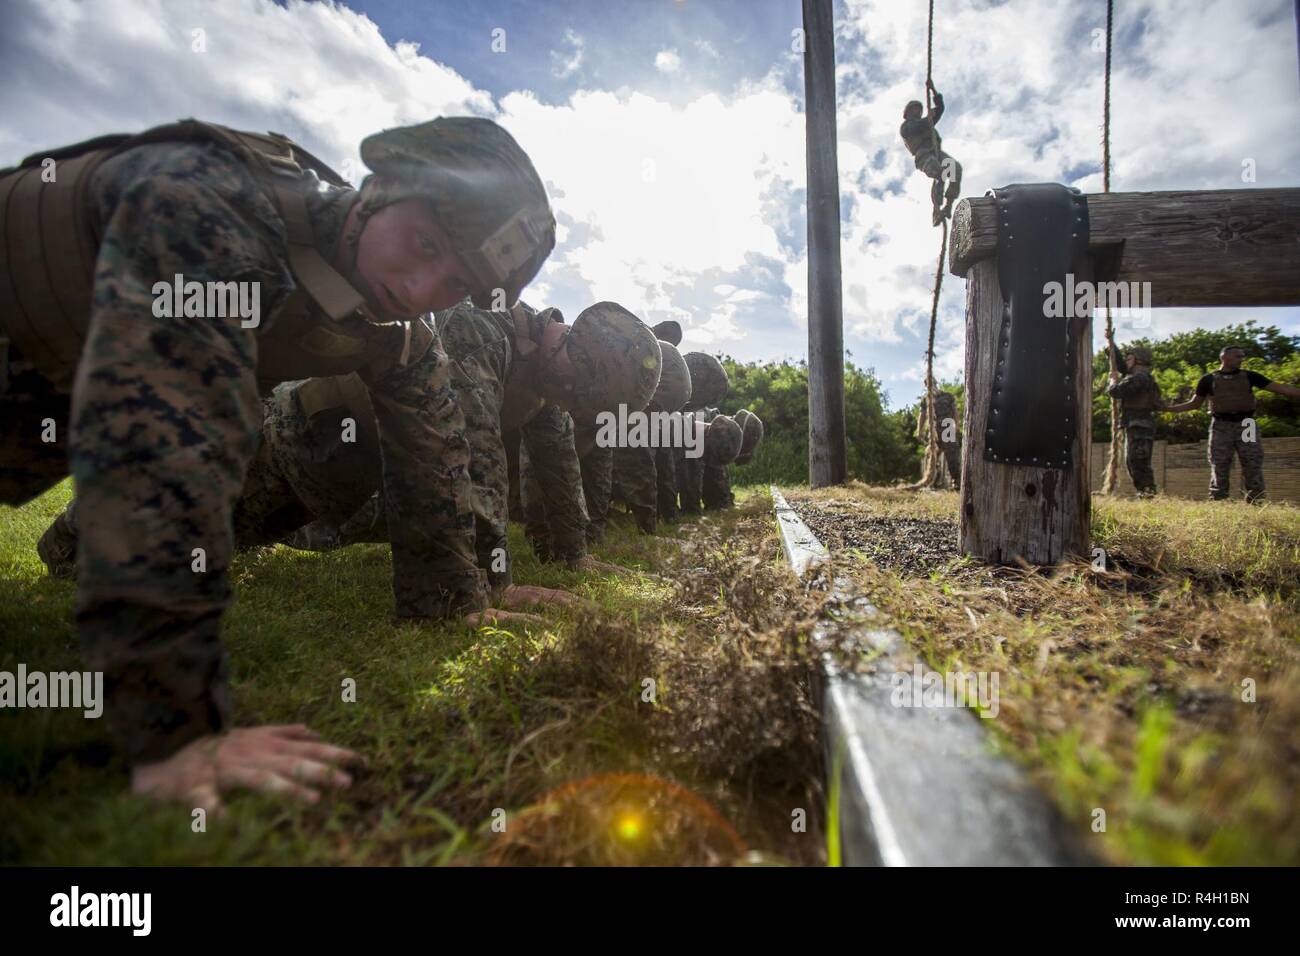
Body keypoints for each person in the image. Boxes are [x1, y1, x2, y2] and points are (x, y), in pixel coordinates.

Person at [1, 115, 555, 811]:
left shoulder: (399, 336)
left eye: (455, 283)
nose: (420, 289)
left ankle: (68, 546)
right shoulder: (213, 200)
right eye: (425, 245)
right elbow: (174, 439)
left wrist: (455, 599)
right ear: (381, 187)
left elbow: (438, 453)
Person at [1164, 345, 1300, 502]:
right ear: (1224, 357)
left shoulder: (1250, 376)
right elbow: (1194, 404)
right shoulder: (1208, 379)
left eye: (1242, 356)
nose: (1241, 359)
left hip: (1246, 424)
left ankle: (1256, 500)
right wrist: (1167, 409)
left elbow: (1282, 389)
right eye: (1237, 356)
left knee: (1252, 462)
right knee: (1219, 463)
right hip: (1221, 425)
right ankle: (1218, 500)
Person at [900, 80, 963, 226]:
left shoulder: (925, 121)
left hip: (937, 153)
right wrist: (929, 118)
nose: (918, 111)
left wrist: (933, 90)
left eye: (919, 109)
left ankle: (948, 205)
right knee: (938, 173)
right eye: (915, 109)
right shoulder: (906, 127)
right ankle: (936, 210)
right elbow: (918, 126)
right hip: (924, 156)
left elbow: (939, 109)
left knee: (954, 168)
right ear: (907, 112)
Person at [1104, 346, 1162, 496]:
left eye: (1130, 359)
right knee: (1135, 461)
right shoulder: (1144, 377)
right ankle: (1146, 492)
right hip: (1138, 424)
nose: (1127, 362)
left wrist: (1112, 380)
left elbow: (1116, 391)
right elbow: (1123, 367)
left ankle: (1147, 493)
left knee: (1138, 462)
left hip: (1139, 425)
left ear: (1138, 361)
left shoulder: (1139, 377)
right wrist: (1111, 348)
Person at [914, 387, 961, 489]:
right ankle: (933, 481)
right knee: (932, 456)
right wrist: (919, 430)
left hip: (947, 426)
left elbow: (955, 411)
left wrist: (957, 425)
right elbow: (922, 415)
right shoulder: (926, 399)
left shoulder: (948, 396)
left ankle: (956, 481)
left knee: (952, 455)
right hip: (933, 430)